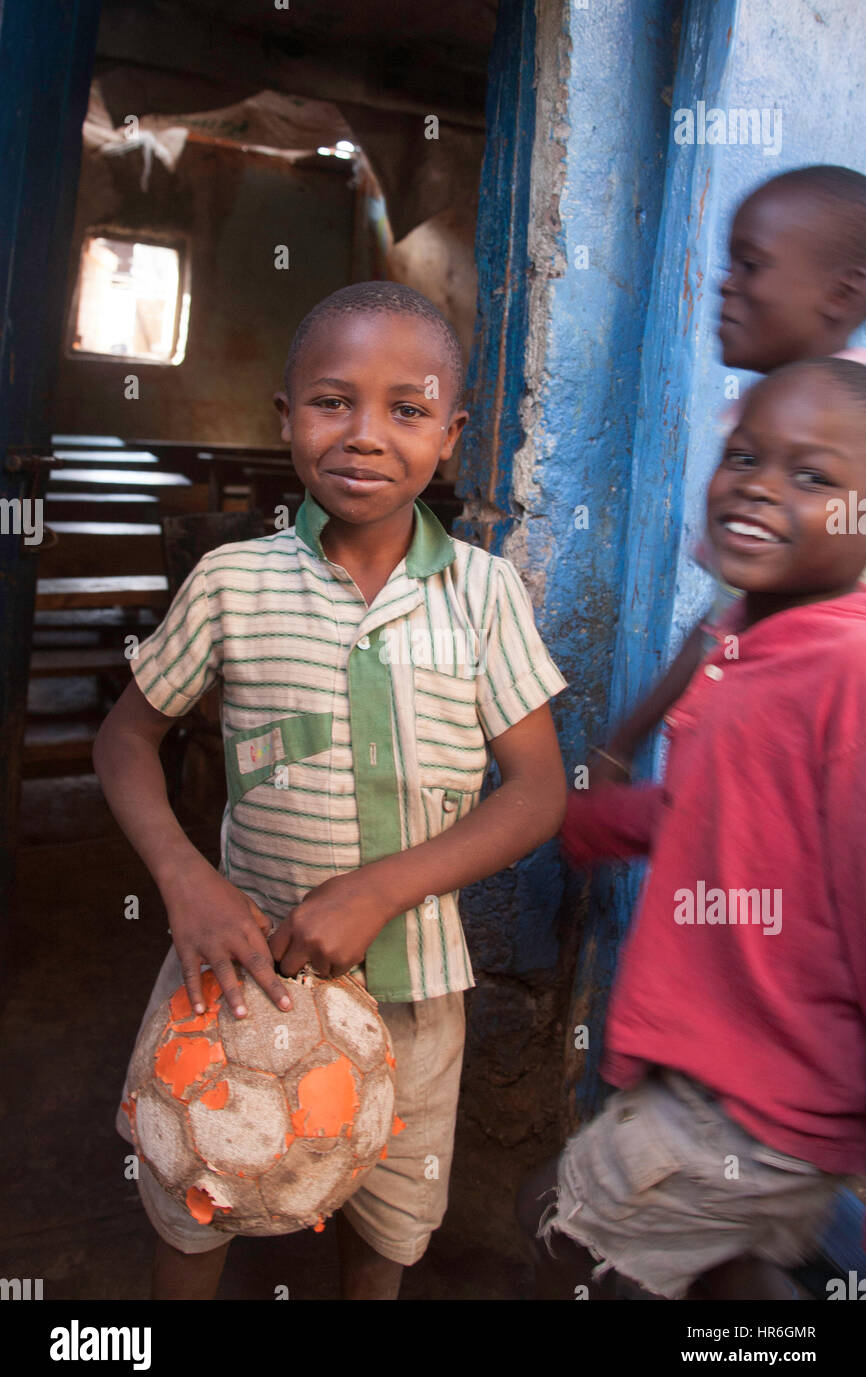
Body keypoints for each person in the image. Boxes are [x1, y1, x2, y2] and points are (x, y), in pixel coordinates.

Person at [93, 281, 567, 1300]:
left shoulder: (484, 595)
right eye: (330, 400)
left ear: (451, 432)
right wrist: (184, 878)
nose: (364, 434)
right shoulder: (231, 581)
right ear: (284, 416)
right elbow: (126, 741)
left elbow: (535, 792)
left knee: (386, 1226)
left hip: (414, 1000)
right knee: (197, 1195)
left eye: (405, 409)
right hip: (233, 980)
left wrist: (382, 887)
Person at [518, 357, 866, 1300]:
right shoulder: (752, 646)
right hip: (738, 1090)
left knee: (564, 1237)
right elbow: (713, 814)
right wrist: (583, 821)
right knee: (716, 1272)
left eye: (813, 477)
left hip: (762, 1103)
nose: (757, 485)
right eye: (744, 455)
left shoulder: (847, 676)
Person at [593, 165, 866, 788]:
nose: (723, 285)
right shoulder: (762, 419)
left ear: (842, 295)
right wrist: (623, 747)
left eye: (751, 266)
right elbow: (726, 615)